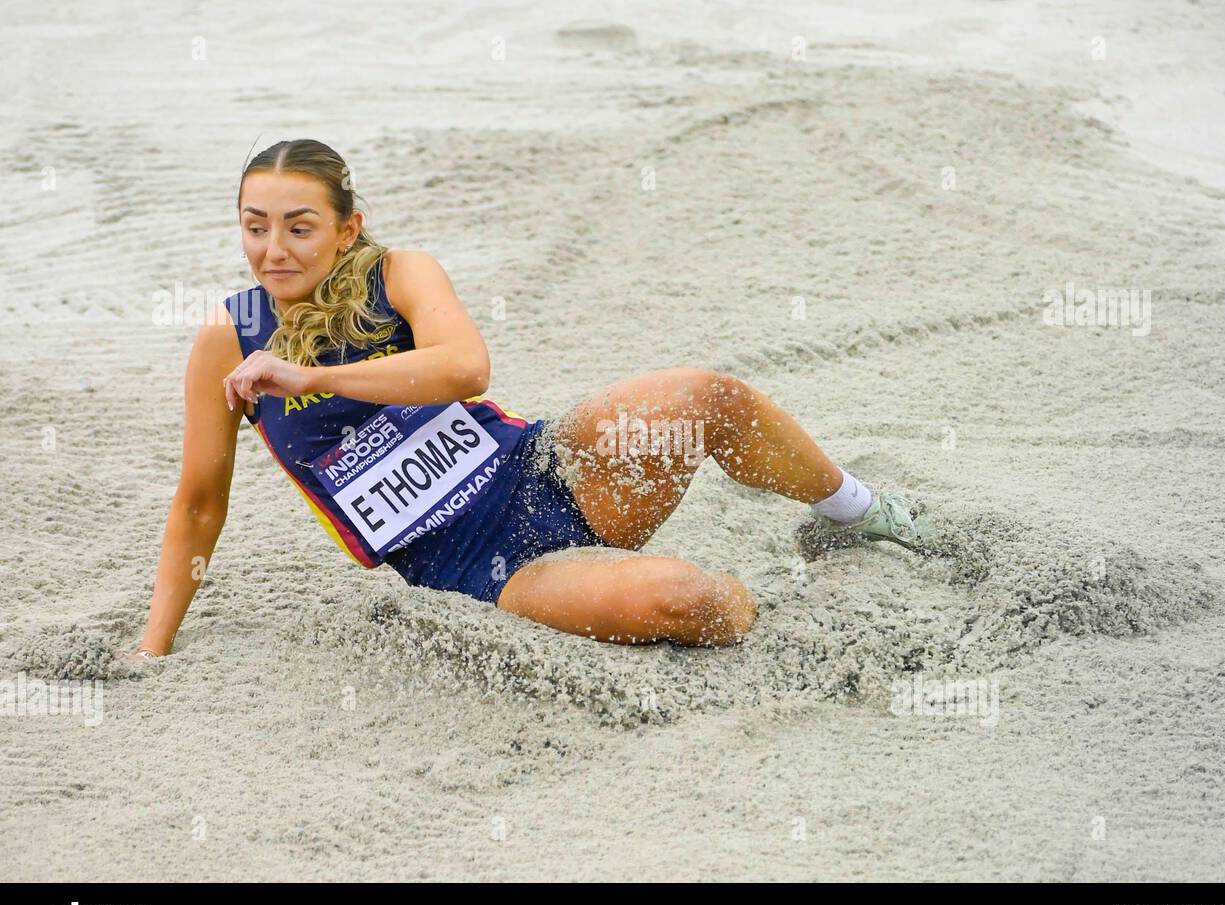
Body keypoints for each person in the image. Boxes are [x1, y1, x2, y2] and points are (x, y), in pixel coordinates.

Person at [117, 139, 933, 663]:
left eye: (298, 226)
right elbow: (196, 505)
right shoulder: (230, 340)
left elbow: (465, 369)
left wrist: (319, 376)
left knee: (705, 397)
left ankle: (858, 515)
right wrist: (155, 648)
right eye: (255, 226)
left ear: (346, 226)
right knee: (695, 602)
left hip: (548, 469)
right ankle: (791, 593)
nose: (273, 248)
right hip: (481, 567)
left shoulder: (400, 273)